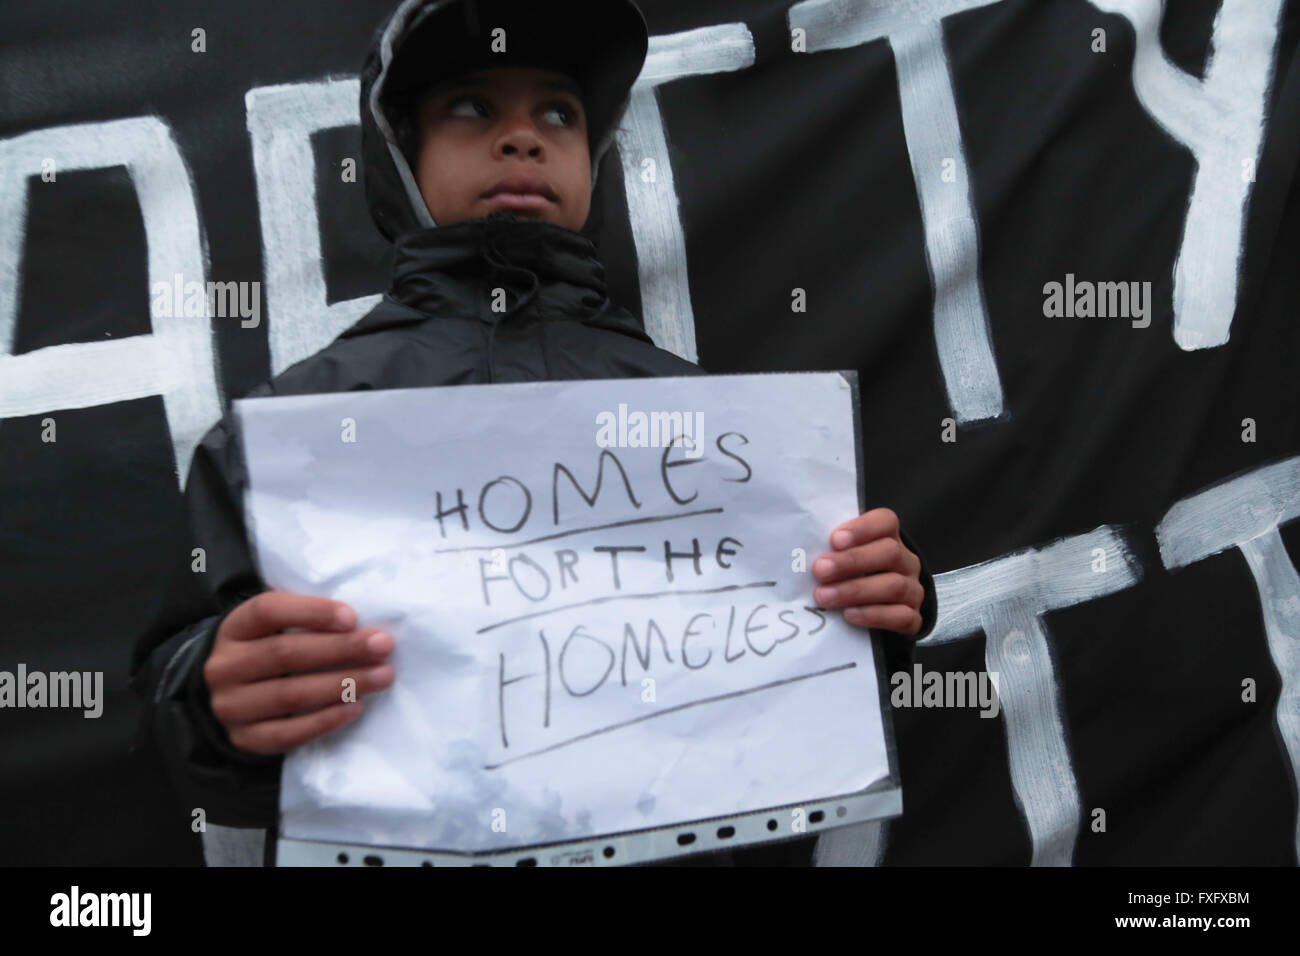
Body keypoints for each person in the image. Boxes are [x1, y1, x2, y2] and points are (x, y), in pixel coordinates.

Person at [129, 0, 937, 867]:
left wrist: (876, 615)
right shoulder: (289, 433)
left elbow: (793, 692)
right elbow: (169, 724)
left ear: (592, 159)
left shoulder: (721, 433)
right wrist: (211, 699)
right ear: (402, 151)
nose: (523, 138)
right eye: (473, 107)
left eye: (558, 112)